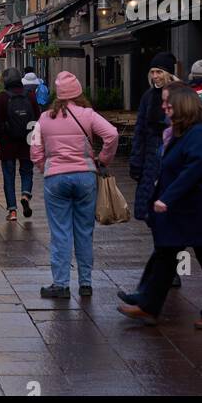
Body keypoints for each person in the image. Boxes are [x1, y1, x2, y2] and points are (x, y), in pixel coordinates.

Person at [118, 85, 202, 330]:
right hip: (187, 208)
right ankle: (149, 305)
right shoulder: (184, 131)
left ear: (183, 106)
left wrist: (167, 198)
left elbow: (192, 170)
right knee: (166, 251)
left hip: (199, 209)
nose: (164, 107)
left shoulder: (200, 133)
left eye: (169, 104)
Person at [30, 71, 118, 298]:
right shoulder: (87, 114)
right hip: (85, 175)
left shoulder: (44, 118)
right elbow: (111, 134)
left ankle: (60, 284)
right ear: (78, 92)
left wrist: (44, 167)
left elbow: (35, 149)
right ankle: (86, 283)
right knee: (84, 231)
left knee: (60, 232)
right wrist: (103, 159)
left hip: (56, 177)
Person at [130, 53, 179, 228]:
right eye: (152, 72)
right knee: (149, 209)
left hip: (172, 155)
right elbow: (140, 130)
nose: (155, 76)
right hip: (151, 157)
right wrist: (136, 162)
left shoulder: (180, 94)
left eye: (159, 72)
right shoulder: (148, 96)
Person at [0, 66, 39, 221]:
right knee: (27, 171)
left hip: (8, 143)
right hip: (26, 141)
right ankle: (25, 194)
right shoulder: (30, 96)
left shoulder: (2, 97)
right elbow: (37, 119)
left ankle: (12, 211)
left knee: (8, 176)